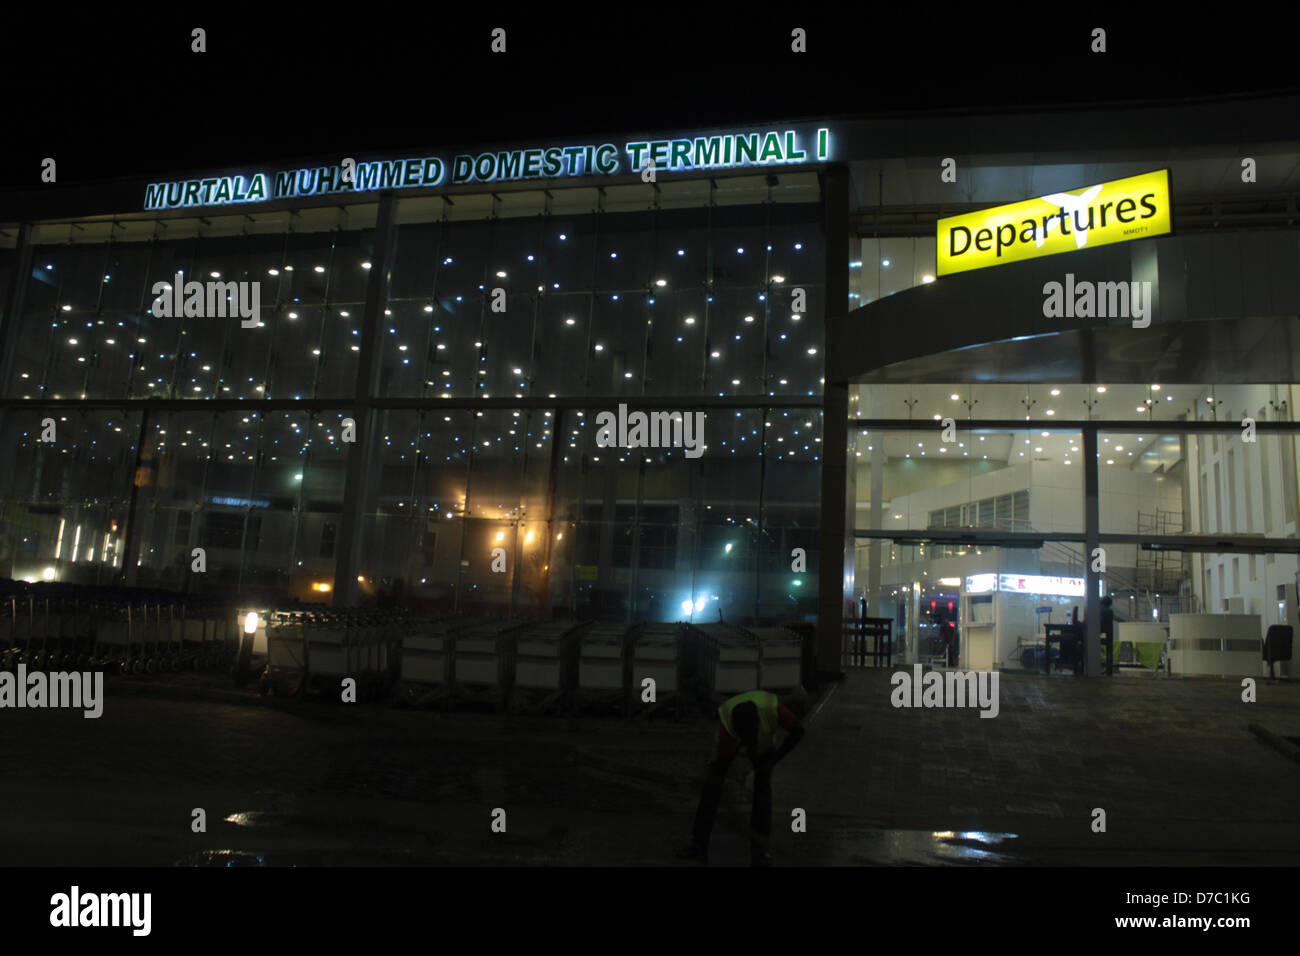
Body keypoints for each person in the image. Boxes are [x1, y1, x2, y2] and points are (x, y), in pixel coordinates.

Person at [677, 690, 805, 866]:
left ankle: (760, 849)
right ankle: (698, 843)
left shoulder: (773, 708)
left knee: (763, 794)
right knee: (711, 788)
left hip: (765, 748)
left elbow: (799, 732)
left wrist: (774, 760)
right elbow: (721, 763)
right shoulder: (726, 729)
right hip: (737, 741)